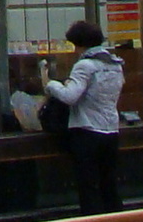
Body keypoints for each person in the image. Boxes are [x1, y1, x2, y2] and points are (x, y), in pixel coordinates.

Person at [45, 20, 124, 215]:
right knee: (109, 185)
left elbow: (69, 96)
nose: (74, 50)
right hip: (111, 131)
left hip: (87, 133)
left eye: (74, 45)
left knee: (89, 188)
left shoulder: (85, 66)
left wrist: (51, 84)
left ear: (81, 44)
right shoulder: (115, 65)